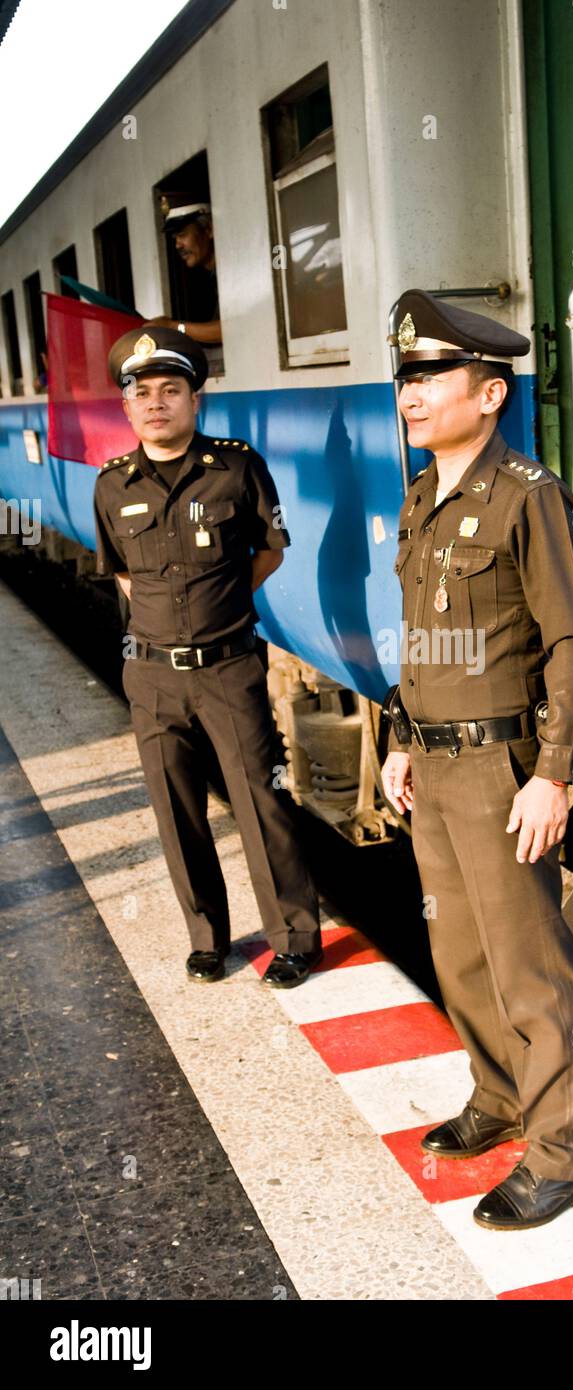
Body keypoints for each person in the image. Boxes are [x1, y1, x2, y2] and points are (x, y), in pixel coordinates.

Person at [380, 289, 573, 1231]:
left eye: (431, 375)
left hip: (502, 770)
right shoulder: (424, 494)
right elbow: (421, 635)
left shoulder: (527, 495)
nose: (411, 392)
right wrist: (396, 741)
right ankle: (501, 1095)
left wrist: (555, 772)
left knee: (530, 968)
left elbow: (569, 639)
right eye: (406, 376)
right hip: (433, 766)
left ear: (489, 392)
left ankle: (565, 1155)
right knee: (462, 955)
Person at [93, 324, 321, 987]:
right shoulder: (112, 484)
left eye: (171, 390)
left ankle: (294, 939)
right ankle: (206, 938)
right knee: (175, 808)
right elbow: (125, 574)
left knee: (262, 803)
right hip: (152, 676)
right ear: (128, 407)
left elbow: (269, 551)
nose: (156, 403)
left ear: (195, 400)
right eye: (143, 394)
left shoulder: (238, 466)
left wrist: (219, 608)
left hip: (228, 668)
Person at [147, 195, 222, 344]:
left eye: (182, 235)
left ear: (209, 229)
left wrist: (173, 326)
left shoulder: (232, 273)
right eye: (175, 238)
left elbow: (227, 329)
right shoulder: (211, 277)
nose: (178, 245)